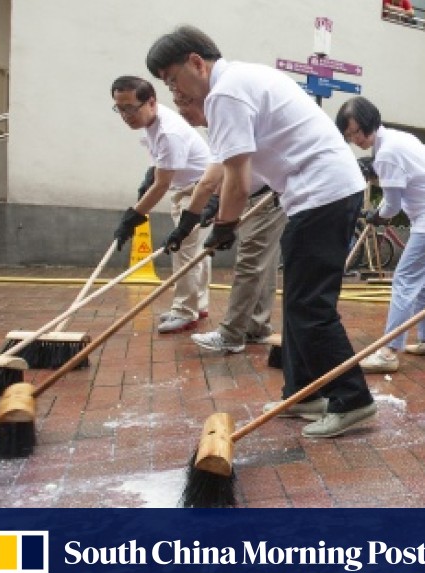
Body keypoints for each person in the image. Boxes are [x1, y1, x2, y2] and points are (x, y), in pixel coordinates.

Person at [147, 26, 376, 438]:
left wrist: (225, 226)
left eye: (172, 79)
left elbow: (238, 174)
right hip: (316, 194)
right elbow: (243, 174)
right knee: (300, 303)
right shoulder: (238, 82)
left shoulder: (225, 93)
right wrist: (216, 212)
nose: (174, 92)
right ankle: (303, 393)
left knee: (311, 305)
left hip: (322, 194)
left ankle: (353, 399)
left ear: (196, 63)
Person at [335, 96, 425, 373]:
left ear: (370, 121)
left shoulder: (388, 153)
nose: (355, 138)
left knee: (404, 279)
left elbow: (391, 206)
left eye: (357, 130)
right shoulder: (400, 139)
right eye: (349, 134)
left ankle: (389, 351)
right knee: (423, 282)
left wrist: (375, 216)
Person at [169, 96, 288, 355]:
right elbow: (219, 173)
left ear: (203, 104)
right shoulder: (216, 129)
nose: (181, 111)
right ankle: (257, 326)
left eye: (185, 104)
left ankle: (231, 334)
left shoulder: (225, 117)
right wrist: (203, 212)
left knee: (250, 263)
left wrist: (200, 220)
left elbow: (213, 181)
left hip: (268, 197)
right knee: (262, 265)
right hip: (256, 195)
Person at [110, 75, 212, 334]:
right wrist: (148, 179)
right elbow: (158, 169)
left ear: (151, 103)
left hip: (201, 190)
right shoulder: (150, 122)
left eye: (130, 108)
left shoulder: (169, 132)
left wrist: (133, 217)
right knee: (194, 250)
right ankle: (197, 304)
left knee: (184, 251)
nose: (125, 116)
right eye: (119, 108)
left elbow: (162, 185)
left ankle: (185, 311)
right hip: (186, 187)